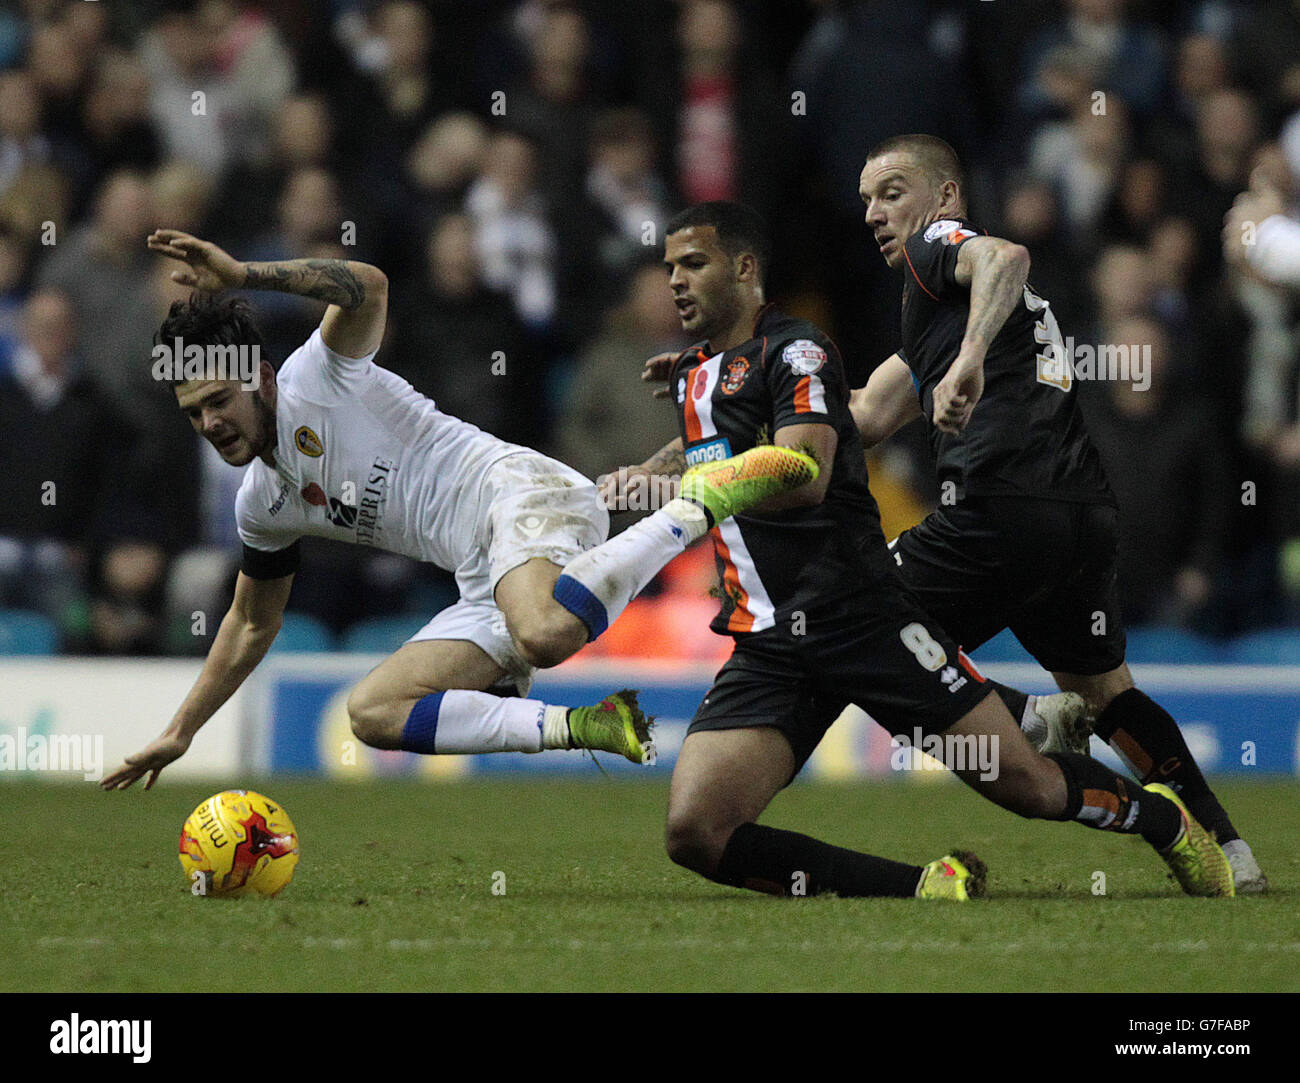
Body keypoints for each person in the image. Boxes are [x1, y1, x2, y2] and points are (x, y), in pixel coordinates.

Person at [612, 200, 1234, 901]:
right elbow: (715, 441)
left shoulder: (799, 351)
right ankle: (928, 885)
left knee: (1028, 785)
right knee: (696, 830)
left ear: (745, 268)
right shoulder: (696, 374)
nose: (675, 280)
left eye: (693, 263)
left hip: (861, 618)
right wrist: (642, 476)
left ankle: (1161, 818)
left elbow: (804, 470)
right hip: (770, 640)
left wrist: (693, 488)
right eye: (669, 267)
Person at [101, 230, 817, 791]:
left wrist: (245, 273)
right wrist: (183, 729)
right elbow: (251, 621)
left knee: (541, 632)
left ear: (256, 377)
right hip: (483, 572)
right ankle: (591, 725)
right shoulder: (264, 504)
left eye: (219, 402)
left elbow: (368, 286)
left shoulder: (314, 377)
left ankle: (702, 500)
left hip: (516, 492)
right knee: (373, 712)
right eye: (194, 414)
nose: (211, 424)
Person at [848, 134, 1264, 893]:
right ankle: (1228, 849)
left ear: (944, 198)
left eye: (893, 192)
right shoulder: (941, 316)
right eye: (868, 200)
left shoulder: (939, 250)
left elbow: (1006, 255)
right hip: (1076, 517)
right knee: (1107, 692)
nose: (876, 212)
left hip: (998, 504)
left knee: (856, 622)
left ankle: (1031, 716)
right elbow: (868, 415)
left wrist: (969, 358)